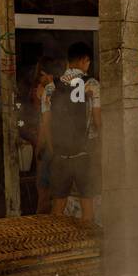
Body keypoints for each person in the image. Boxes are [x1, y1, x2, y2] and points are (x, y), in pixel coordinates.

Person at [41, 41, 101, 221]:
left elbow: (46, 123)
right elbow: (98, 121)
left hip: (60, 155)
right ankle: (88, 246)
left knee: (58, 207)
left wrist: (53, 150)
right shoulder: (91, 84)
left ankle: (59, 244)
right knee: (87, 205)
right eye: (88, 62)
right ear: (84, 60)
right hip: (84, 154)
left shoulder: (51, 88)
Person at [33, 56, 65, 213]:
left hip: (51, 148)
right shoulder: (61, 89)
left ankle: (44, 226)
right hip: (56, 146)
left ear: (47, 74)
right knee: (52, 195)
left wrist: (44, 146)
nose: (39, 79)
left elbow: (45, 123)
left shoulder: (49, 91)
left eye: (41, 75)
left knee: (45, 193)